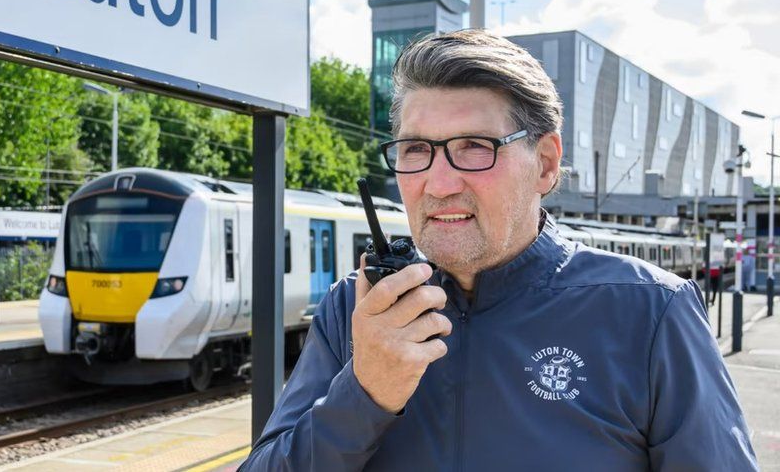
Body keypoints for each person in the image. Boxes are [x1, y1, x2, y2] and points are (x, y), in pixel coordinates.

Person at [240, 30, 757, 471]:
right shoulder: (354, 308)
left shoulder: (649, 311)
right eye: (416, 149)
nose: (438, 184)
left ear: (546, 164)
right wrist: (366, 391)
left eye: (475, 147)